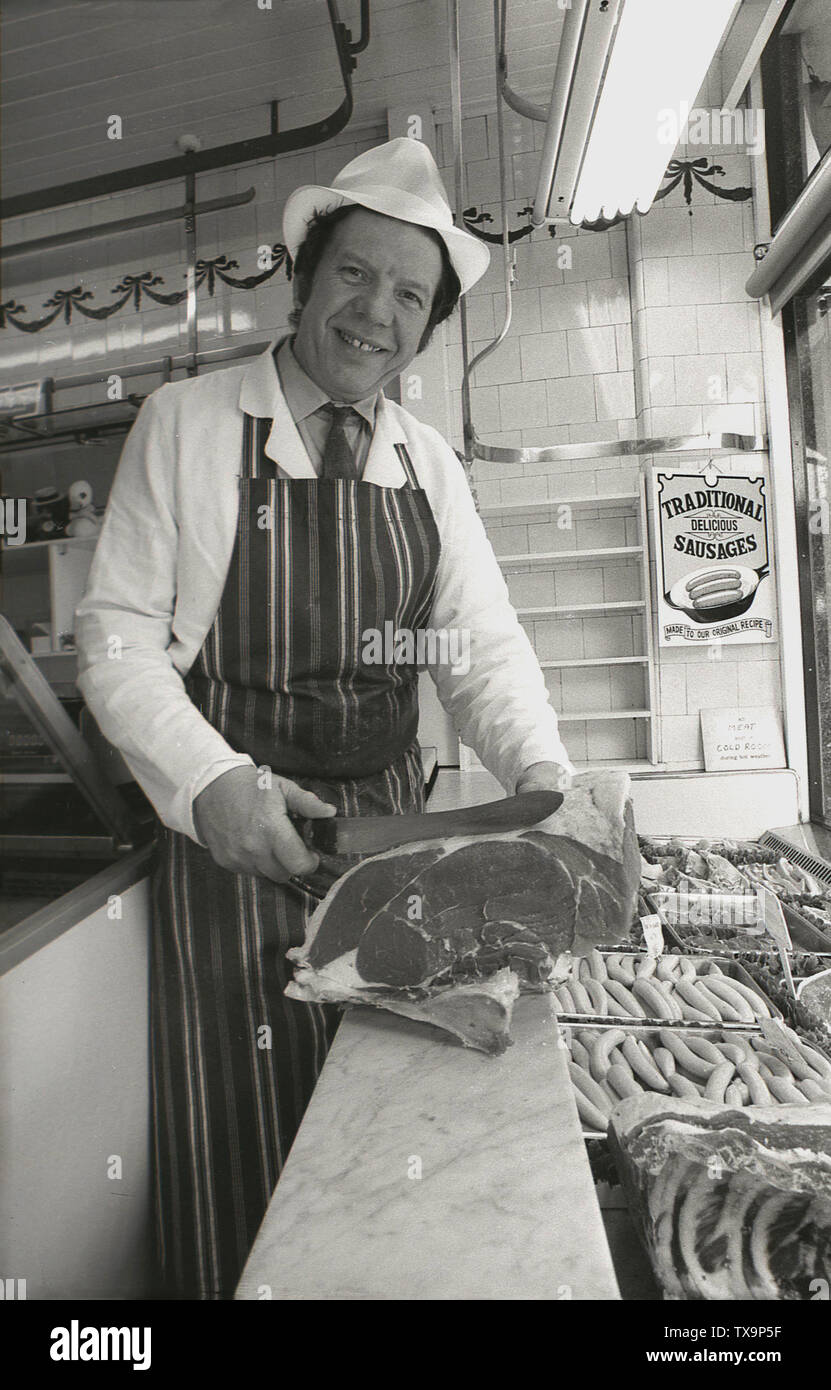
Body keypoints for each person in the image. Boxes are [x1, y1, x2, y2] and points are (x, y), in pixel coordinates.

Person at [76, 137, 573, 1299]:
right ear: (304, 277)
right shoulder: (189, 425)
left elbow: (477, 648)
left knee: (388, 1134)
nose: (377, 312)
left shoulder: (431, 467)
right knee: (242, 1142)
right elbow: (115, 642)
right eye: (357, 275)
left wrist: (547, 775)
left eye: (410, 295)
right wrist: (211, 781)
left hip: (389, 857)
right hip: (231, 856)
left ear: (427, 325)